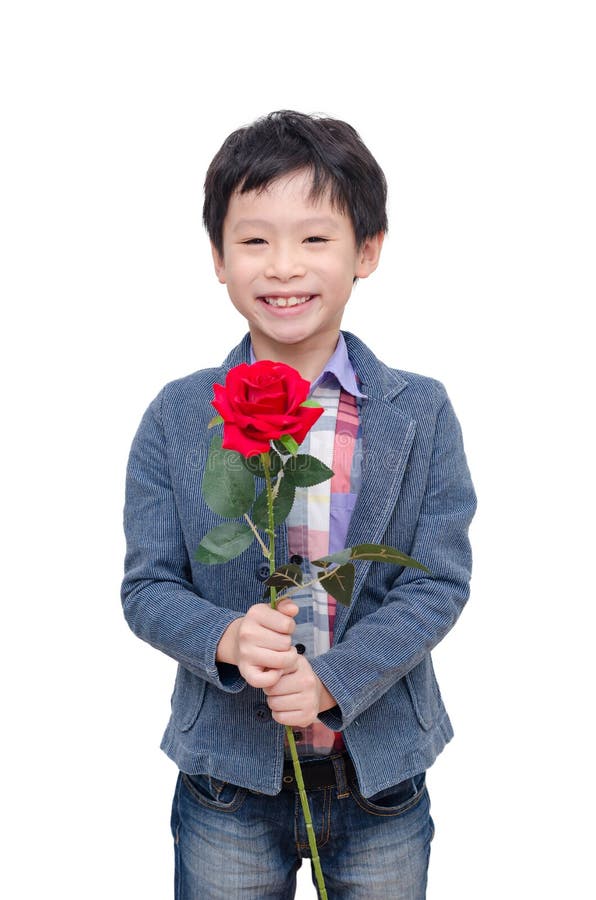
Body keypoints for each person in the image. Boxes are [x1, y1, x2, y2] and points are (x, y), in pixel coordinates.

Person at [121, 110, 476, 900]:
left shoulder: (418, 413)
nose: (284, 266)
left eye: (315, 239)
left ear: (368, 251)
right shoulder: (179, 417)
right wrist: (226, 635)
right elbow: (147, 588)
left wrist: (332, 680)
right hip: (227, 784)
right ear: (217, 258)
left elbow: (436, 583)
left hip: (379, 777)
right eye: (254, 241)